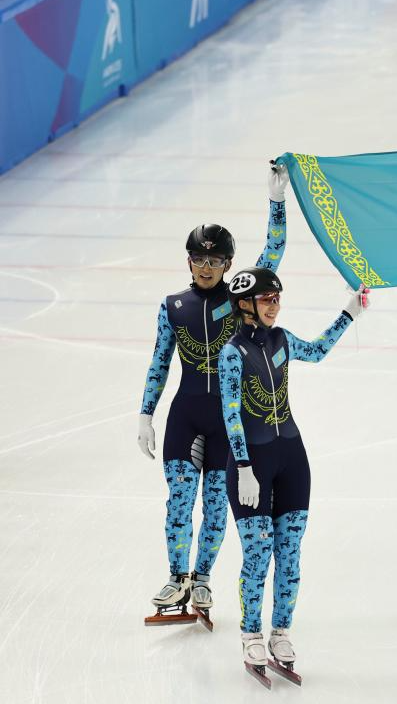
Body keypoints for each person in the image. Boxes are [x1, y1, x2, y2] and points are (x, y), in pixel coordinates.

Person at [138, 165, 290, 623]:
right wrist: (146, 414)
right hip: (185, 414)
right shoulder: (173, 306)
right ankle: (177, 575)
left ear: (227, 264)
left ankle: (202, 577)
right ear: (189, 262)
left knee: (214, 506)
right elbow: (160, 361)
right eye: (199, 260)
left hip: (229, 420)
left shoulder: (242, 299)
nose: (206, 268)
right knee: (179, 500)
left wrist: (276, 201)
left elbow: (275, 251)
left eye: (216, 261)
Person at [219, 266, 369, 682]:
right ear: (245, 304)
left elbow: (317, 351)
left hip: (291, 457)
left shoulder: (281, 340)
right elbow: (230, 413)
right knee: (258, 553)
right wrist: (244, 466)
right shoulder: (232, 354)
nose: (274, 306)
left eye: (277, 299)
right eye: (267, 300)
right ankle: (251, 634)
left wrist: (350, 313)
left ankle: (280, 632)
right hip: (251, 465)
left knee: (290, 554)